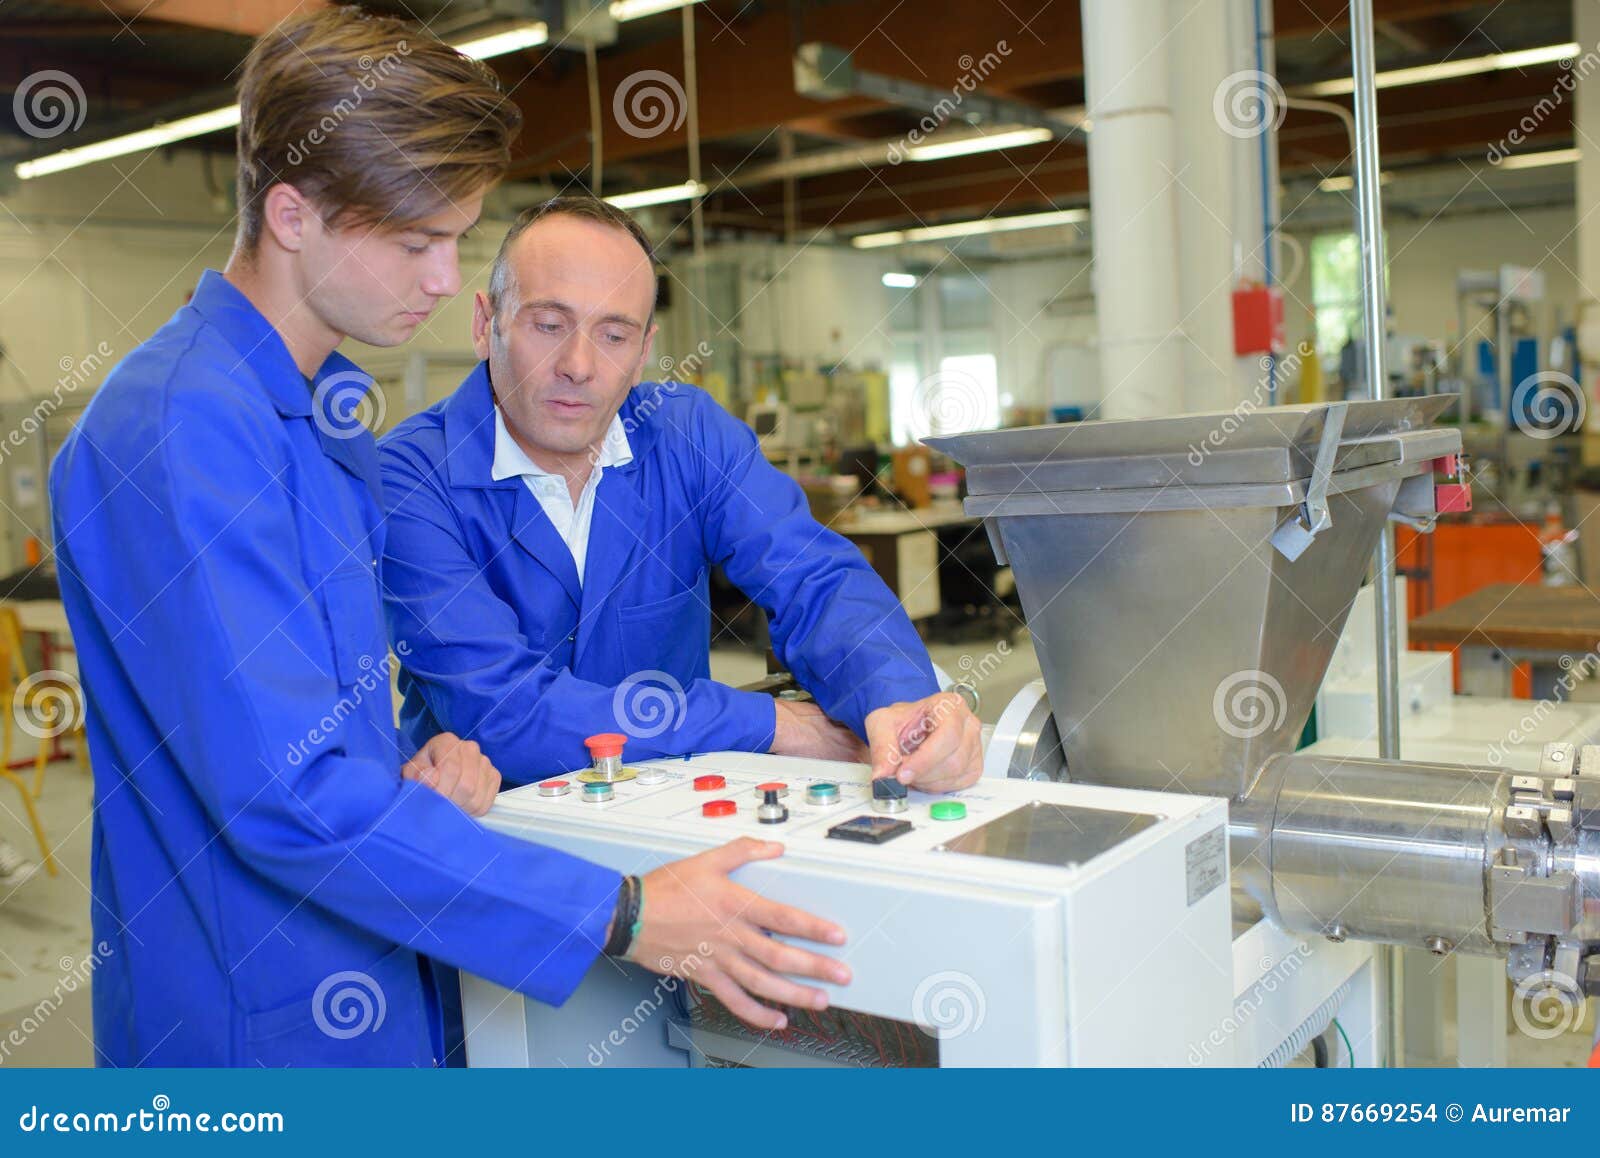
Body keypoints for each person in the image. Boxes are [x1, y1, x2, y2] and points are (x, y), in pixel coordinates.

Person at [50, 10, 846, 1067]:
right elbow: (288, 797)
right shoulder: (187, 429)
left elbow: (285, 733)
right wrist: (623, 917)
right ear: (293, 214)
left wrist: (401, 774)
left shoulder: (309, 419)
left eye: (454, 239)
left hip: (371, 964)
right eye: (419, 242)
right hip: (252, 1022)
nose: (442, 281)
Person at [378, 196, 984, 791]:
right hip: (493, 838)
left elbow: (813, 576)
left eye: (614, 335)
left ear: (644, 352)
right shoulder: (410, 478)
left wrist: (899, 704)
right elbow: (507, 714)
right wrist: (768, 724)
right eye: (548, 324)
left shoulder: (687, 435)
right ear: (487, 325)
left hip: (673, 815)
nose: (579, 364)